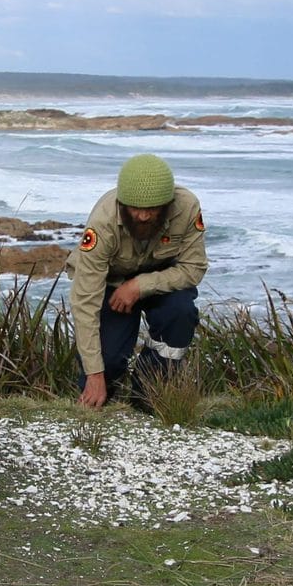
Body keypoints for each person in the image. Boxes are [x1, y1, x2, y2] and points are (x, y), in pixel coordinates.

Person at [68, 153, 208, 408]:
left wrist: (139, 286)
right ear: (122, 203)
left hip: (162, 281)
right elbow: (84, 302)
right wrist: (94, 374)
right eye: (135, 209)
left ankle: (147, 392)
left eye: (152, 210)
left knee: (180, 312)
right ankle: (105, 384)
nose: (143, 217)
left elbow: (194, 268)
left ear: (168, 203)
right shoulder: (102, 223)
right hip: (110, 284)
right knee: (105, 366)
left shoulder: (187, 208)